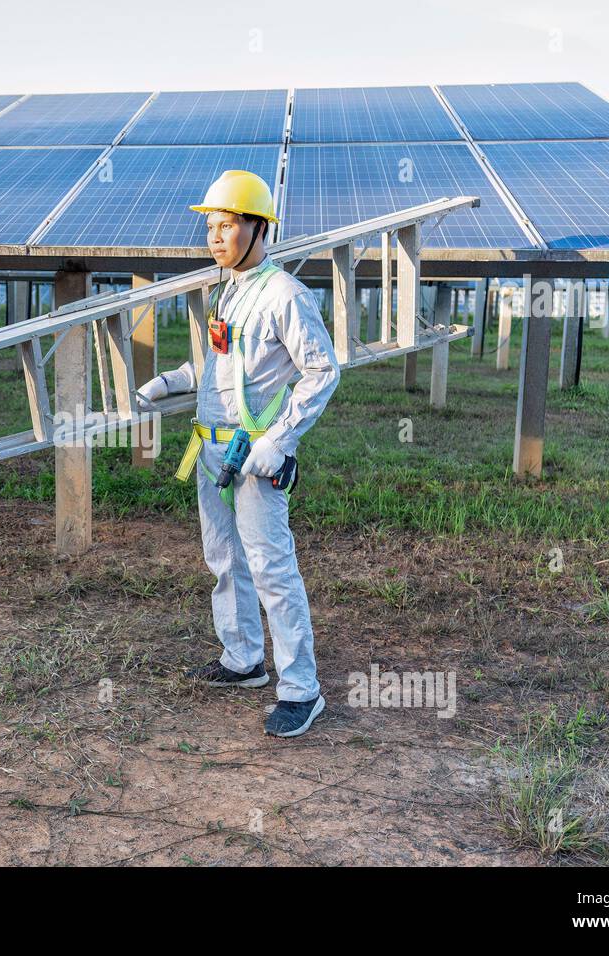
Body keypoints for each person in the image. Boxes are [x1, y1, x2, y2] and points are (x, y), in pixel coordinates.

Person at [136, 170, 341, 738]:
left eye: (226, 225)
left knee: (272, 568)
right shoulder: (226, 289)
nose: (215, 237)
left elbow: (322, 372)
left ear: (257, 227)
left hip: (255, 455)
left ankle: (302, 689)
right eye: (210, 227)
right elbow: (223, 369)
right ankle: (243, 658)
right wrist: (175, 380)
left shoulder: (285, 294)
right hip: (210, 448)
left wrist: (280, 441)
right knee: (223, 559)